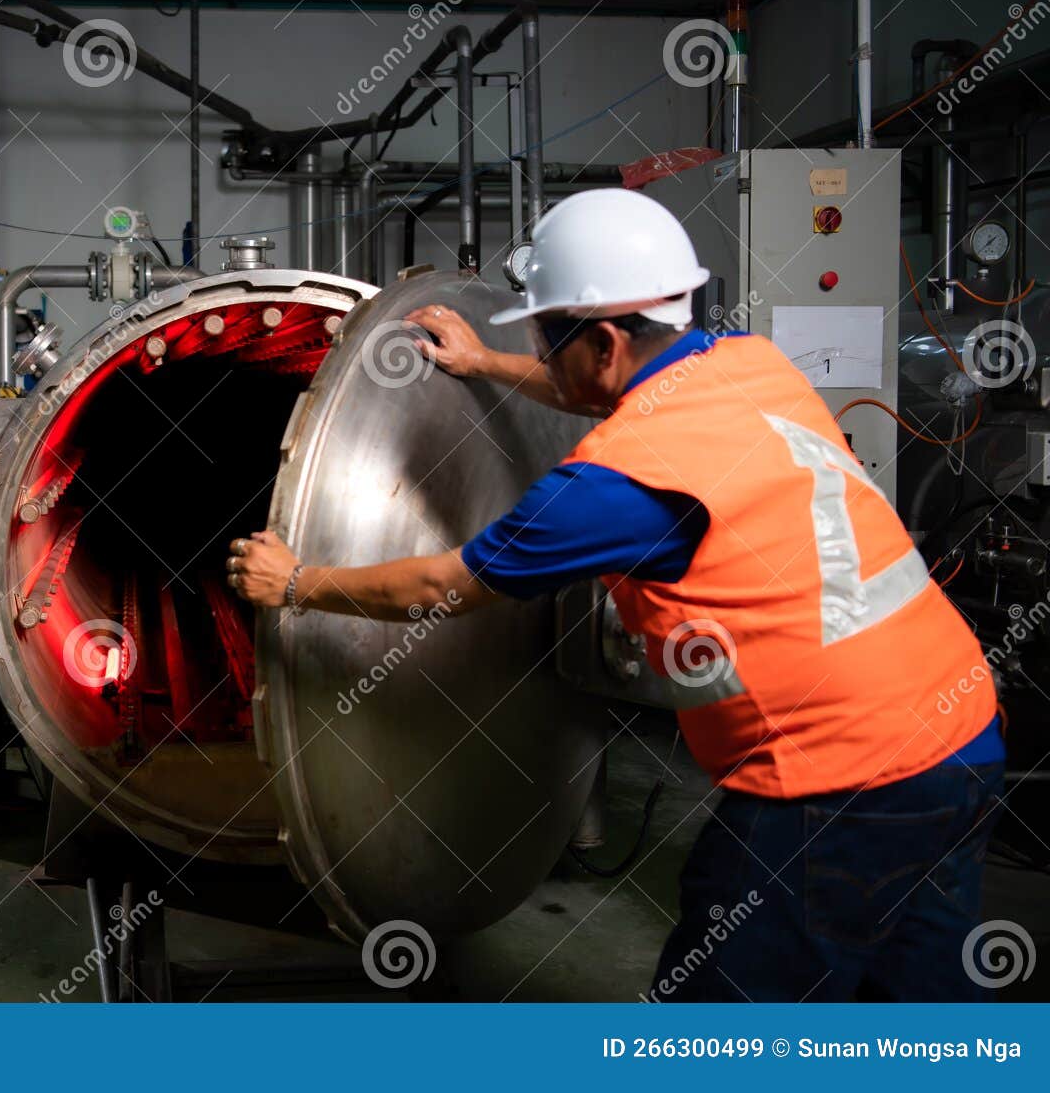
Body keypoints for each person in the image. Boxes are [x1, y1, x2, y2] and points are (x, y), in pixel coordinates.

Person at [225, 188, 1005, 1001]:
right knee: (921, 1014)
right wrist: (483, 363)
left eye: (542, 336)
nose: (537, 349)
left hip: (837, 783)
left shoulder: (619, 482)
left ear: (600, 339)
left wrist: (297, 581)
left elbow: (440, 584)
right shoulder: (747, 361)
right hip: (960, 736)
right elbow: (602, 386)